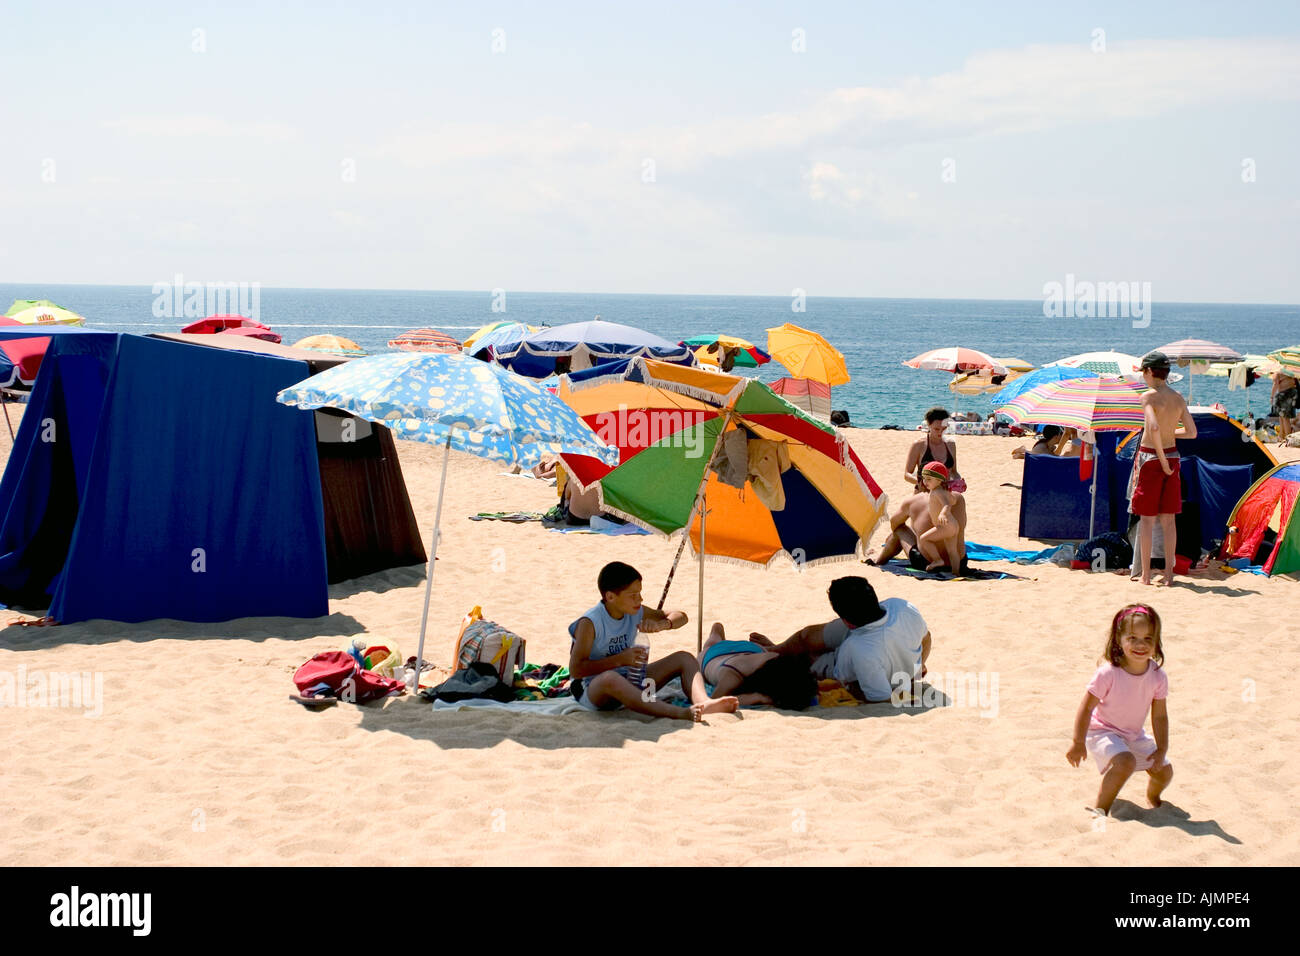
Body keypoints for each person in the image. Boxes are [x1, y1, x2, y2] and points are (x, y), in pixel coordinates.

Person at [568, 562, 738, 720]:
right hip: (592, 689)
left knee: (684, 657)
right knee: (610, 678)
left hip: (630, 678)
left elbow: (682, 616)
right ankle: (678, 713)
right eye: (633, 595)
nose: (640, 600)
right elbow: (576, 670)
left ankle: (703, 702)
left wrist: (663, 624)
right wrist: (620, 659)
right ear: (610, 597)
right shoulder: (591, 623)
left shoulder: (634, 611)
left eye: (640, 593)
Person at [750, 576, 931, 704]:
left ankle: (772, 654)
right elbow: (927, 637)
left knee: (804, 657)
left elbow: (880, 697)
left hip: (841, 665)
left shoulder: (860, 650)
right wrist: (917, 665)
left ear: (847, 622)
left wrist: (852, 687)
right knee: (807, 636)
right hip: (870, 631)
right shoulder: (901, 607)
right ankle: (775, 648)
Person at [1066, 604, 1173, 817]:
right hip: (1101, 731)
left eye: (1148, 639)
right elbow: (1086, 708)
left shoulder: (1157, 676)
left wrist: (1162, 748)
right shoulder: (1108, 673)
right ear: (1119, 639)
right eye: (1132, 638)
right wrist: (1078, 742)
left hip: (1133, 734)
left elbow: (1160, 716)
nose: (1140, 645)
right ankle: (1101, 810)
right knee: (1125, 762)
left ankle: (1153, 797)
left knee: (1164, 771)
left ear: (1156, 642)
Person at [1130, 351, 1198, 586]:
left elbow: (1154, 428)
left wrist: (1160, 457)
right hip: (1174, 456)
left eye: (1144, 373)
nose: (1144, 378)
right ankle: (1169, 576)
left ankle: (1146, 576)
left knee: (1147, 521)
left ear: (1149, 372)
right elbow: (1191, 432)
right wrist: (1169, 451)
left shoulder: (1148, 397)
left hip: (1151, 458)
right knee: (1169, 521)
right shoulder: (1177, 397)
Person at [697, 623, 817, 709]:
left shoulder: (777, 662)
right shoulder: (731, 676)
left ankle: (717, 628)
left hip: (754, 651)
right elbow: (713, 702)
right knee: (711, 643)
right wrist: (756, 697)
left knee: (715, 637)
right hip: (715, 655)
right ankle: (717, 628)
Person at [916, 462, 966, 572]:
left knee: (924, 539)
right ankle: (956, 573)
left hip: (945, 526)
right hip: (953, 526)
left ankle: (937, 560)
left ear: (939, 480)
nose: (925, 482)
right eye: (924, 479)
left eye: (929, 479)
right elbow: (952, 501)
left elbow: (947, 504)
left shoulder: (937, 492)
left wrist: (943, 513)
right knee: (952, 551)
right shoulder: (942, 491)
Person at [903, 407, 963, 492]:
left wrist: (958, 481)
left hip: (945, 495)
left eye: (944, 428)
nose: (940, 432)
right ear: (929, 425)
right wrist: (923, 483)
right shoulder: (919, 445)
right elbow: (907, 474)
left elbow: (954, 472)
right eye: (937, 429)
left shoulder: (951, 444)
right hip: (923, 494)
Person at [1272, 369, 1297, 442]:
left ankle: (1287, 438)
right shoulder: (1290, 371)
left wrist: (1272, 396)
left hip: (1284, 395)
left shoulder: (1278, 372)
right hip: (1291, 394)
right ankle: (1282, 436)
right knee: (1283, 417)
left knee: (1284, 418)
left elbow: (1275, 384)